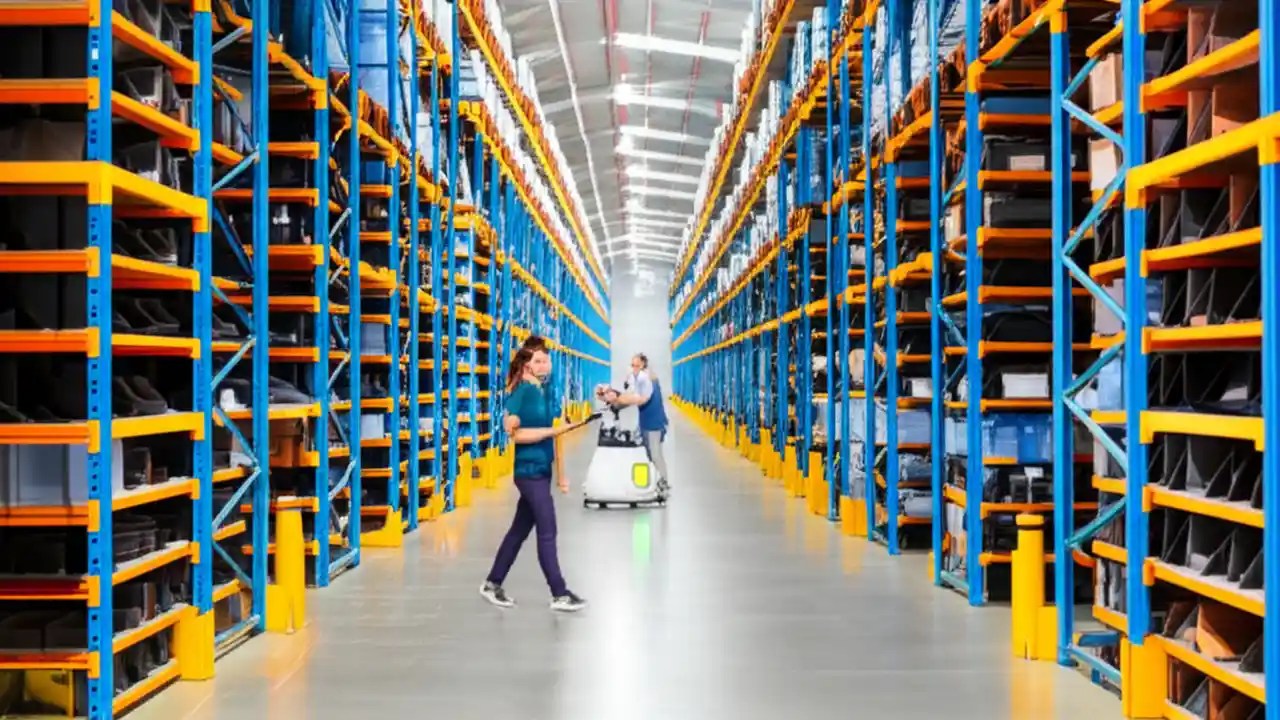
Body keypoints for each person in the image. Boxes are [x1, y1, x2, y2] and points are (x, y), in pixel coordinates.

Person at [480, 344, 589, 612]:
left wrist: (561, 475)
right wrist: (547, 432)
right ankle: (559, 593)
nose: (545, 365)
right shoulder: (523, 392)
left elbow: (553, 431)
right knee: (548, 530)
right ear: (527, 365)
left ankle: (493, 583)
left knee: (518, 531)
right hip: (528, 472)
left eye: (547, 361)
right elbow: (514, 432)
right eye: (539, 361)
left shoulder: (540, 390)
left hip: (541, 470)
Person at [599, 353, 670, 491]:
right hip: (645, 422)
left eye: (636, 365)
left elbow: (635, 399)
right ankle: (655, 480)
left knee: (655, 454)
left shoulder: (648, 379)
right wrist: (617, 401)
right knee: (650, 454)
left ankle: (663, 481)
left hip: (654, 423)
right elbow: (632, 397)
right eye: (632, 366)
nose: (633, 369)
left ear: (643, 365)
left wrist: (616, 400)